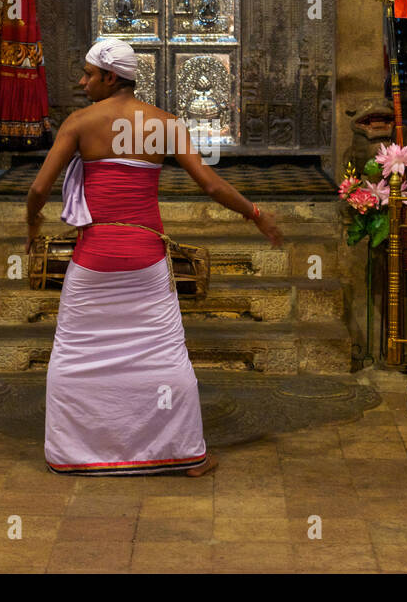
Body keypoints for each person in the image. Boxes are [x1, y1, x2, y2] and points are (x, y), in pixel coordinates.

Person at [26, 38, 283, 476]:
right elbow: (213, 186)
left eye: (88, 74)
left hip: (92, 263)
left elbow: (37, 190)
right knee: (164, 357)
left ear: (111, 77)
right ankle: (184, 454)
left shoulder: (79, 123)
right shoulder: (165, 124)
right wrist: (256, 214)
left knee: (76, 356)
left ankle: (76, 454)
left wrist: (31, 228)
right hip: (146, 262)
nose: (81, 81)